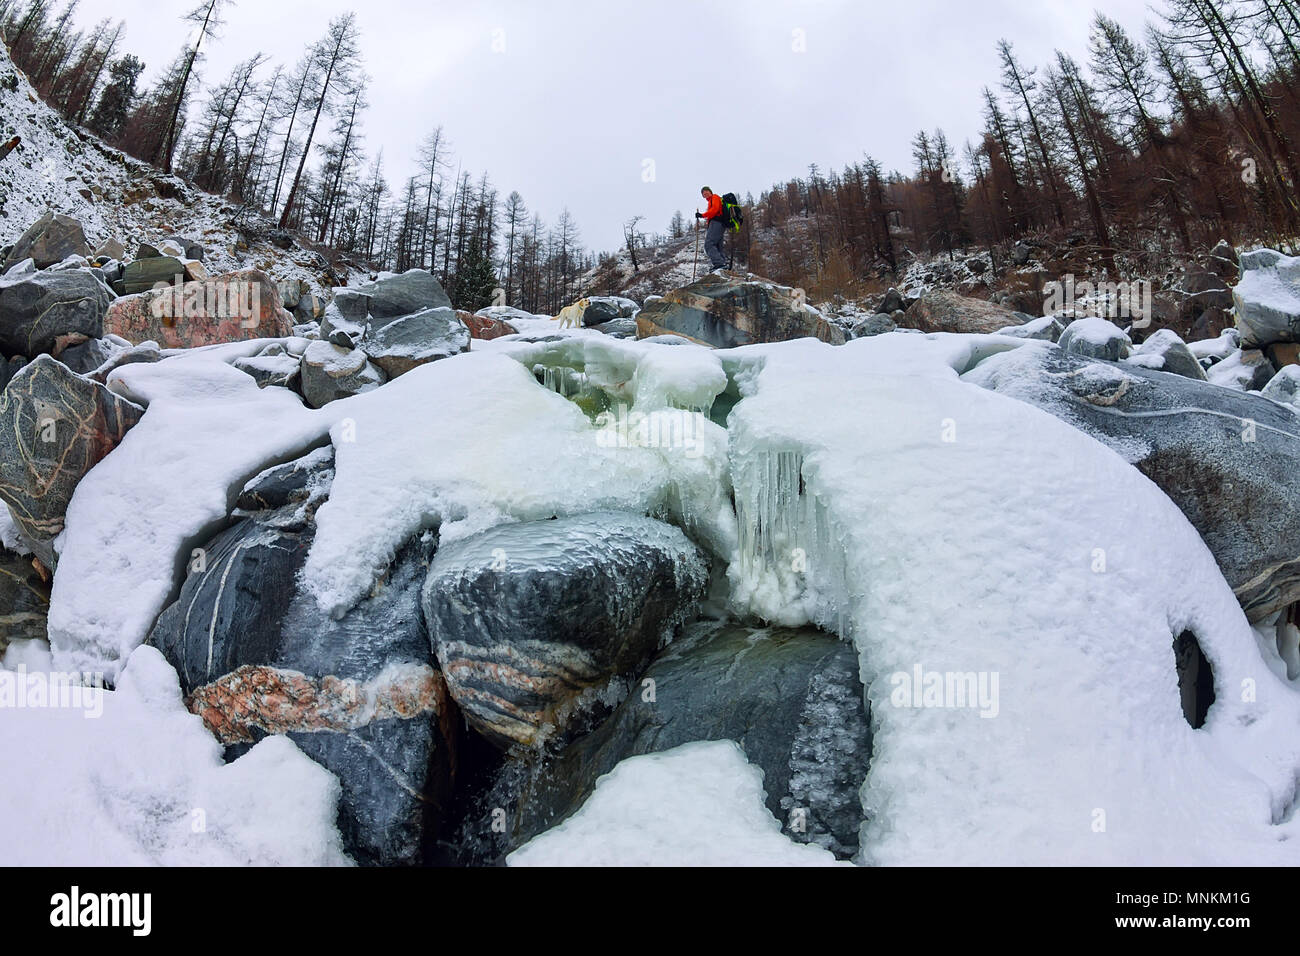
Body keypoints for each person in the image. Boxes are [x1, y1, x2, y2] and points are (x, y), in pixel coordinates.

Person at [696, 186, 728, 271]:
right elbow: (713, 212)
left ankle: (719, 263)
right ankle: (723, 265)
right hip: (720, 224)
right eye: (703, 193)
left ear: (710, 192)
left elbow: (715, 209)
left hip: (716, 223)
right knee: (718, 246)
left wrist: (702, 215)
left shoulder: (715, 197)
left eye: (706, 191)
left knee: (709, 244)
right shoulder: (711, 201)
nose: (704, 193)